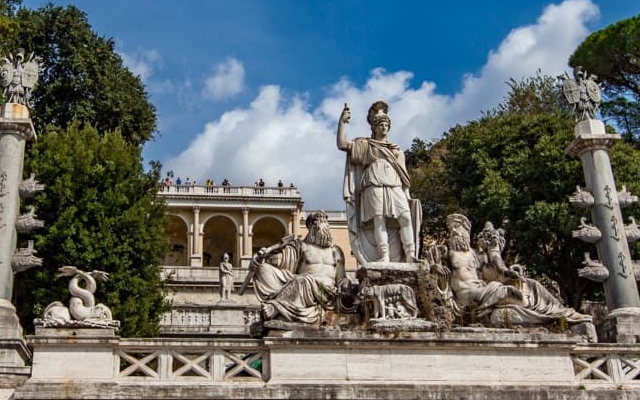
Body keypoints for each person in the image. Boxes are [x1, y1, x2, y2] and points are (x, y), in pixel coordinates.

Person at [436, 214, 590, 328]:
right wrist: (436, 268)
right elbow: (433, 266)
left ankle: (563, 312)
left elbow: (495, 269)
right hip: (467, 297)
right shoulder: (446, 253)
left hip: (484, 290)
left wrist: (508, 271)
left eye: (458, 228)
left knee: (532, 284)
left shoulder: (476, 255)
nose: (454, 232)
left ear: (466, 232)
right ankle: (550, 315)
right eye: (451, 229)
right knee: (514, 295)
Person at [337, 101, 419, 264]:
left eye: (386, 124)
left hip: (394, 185)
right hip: (373, 184)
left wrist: (407, 195)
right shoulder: (366, 145)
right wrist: (342, 123)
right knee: (379, 220)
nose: (384, 127)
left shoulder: (395, 150)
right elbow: (342, 144)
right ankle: (384, 256)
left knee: (405, 218)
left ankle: (410, 254)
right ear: (374, 127)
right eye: (380, 124)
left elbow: (404, 178)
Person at [248, 210, 347, 324]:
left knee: (302, 280)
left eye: (325, 221)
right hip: (302, 284)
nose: (324, 224)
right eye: (319, 221)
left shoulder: (336, 251)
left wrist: (344, 283)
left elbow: (341, 278)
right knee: (263, 268)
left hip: (326, 292)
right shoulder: (301, 246)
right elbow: (277, 260)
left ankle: (275, 308)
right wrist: (261, 257)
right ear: (311, 227)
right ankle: (282, 307)